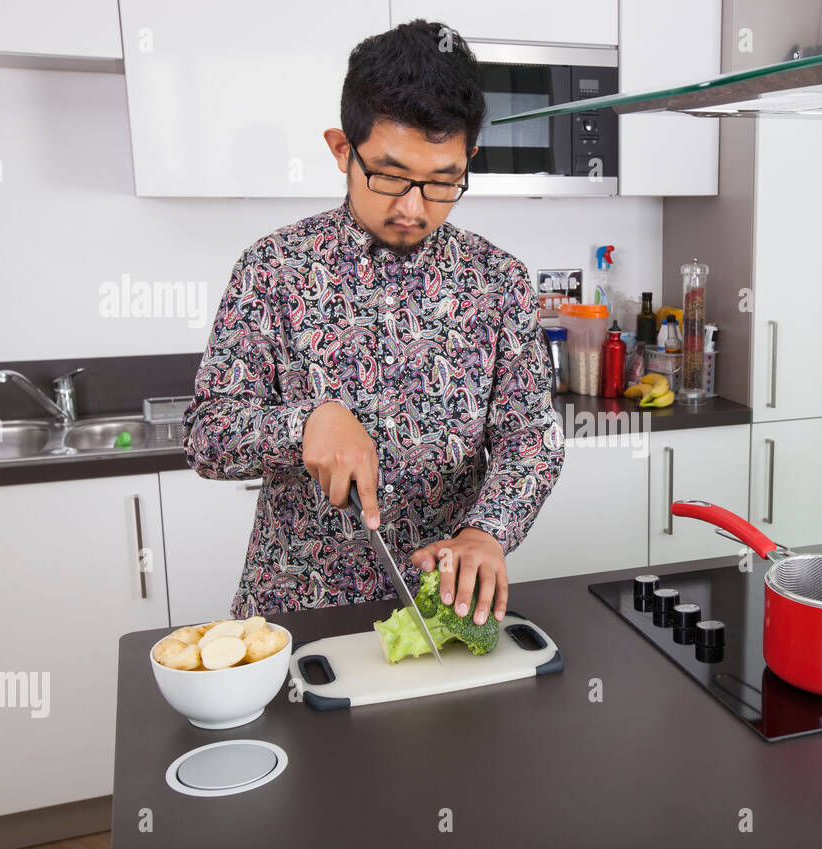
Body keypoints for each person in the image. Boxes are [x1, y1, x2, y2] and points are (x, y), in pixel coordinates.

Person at [183, 19, 565, 627]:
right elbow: (206, 437)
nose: (413, 208)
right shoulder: (273, 268)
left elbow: (531, 438)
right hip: (298, 613)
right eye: (389, 176)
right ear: (342, 149)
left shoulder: (501, 281)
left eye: (443, 182)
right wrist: (304, 423)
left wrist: (487, 533)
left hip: (441, 612)